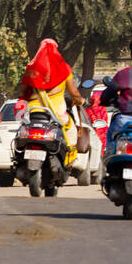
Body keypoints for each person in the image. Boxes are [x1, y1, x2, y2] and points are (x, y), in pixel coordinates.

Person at [18, 39, 84, 170]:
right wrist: (81, 100)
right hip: (57, 113)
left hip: (32, 112)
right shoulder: (64, 69)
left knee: (21, 130)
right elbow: (74, 92)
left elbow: (22, 91)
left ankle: (17, 159)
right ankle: (69, 161)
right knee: (71, 129)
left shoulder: (31, 69)